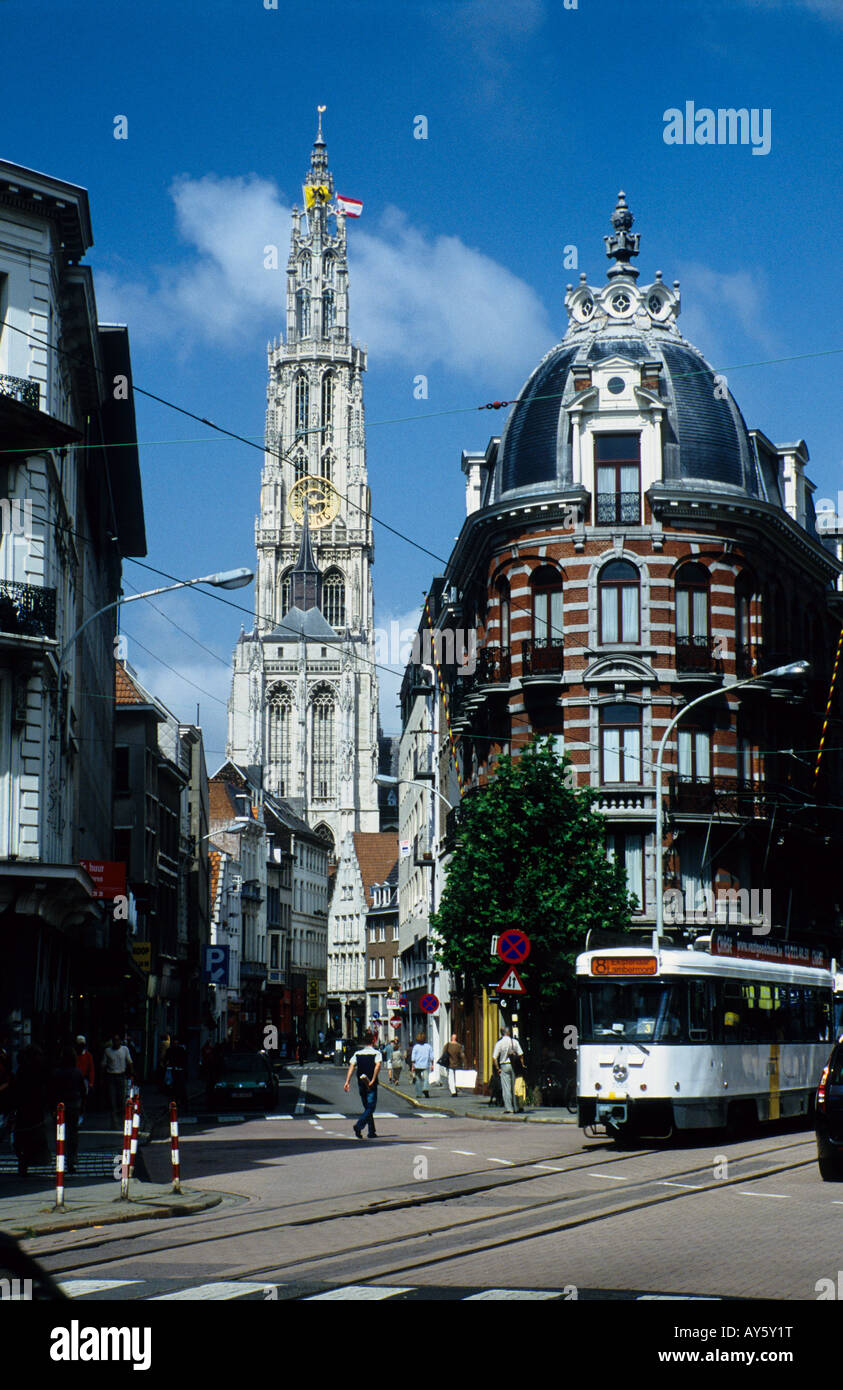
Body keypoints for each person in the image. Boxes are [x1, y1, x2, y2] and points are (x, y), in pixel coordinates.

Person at [9, 1045, 50, 1176]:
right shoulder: (38, 1071)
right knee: (31, 1135)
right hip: (33, 1107)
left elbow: (16, 1089)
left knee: (23, 1136)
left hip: (25, 1107)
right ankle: (29, 1159)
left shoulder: (22, 1071)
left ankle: (24, 1160)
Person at [50, 1045, 86, 1174]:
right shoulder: (77, 1072)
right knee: (73, 1134)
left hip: (60, 1106)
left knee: (60, 1134)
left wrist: (52, 1108)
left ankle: (60, 1158)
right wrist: (82, 1107)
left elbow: (52, 1092)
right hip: (74, 1105)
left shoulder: (56, 1072)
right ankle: (71, 1160)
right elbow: (83, 1091)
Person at [344, 1030, 381, 1139]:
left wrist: (347, 1081)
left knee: (367, 1107)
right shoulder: (376, 1053)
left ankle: (371, 1131)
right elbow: (377, 1066)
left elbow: (351, 1067)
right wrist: (373, 1079)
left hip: (361, 1083)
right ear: (373, 1042)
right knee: (371, 1107)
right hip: (371, 1083)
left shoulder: (357, 1054)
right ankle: (359, 1126)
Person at [102, 1033, 133, 1127]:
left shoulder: (124, 1050)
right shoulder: (107, 1051)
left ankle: (121, 1120)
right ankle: (114, 1122)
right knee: (112, 1100)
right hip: (111, 1076)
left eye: (117, 1040)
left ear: (120, 1041)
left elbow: (129, 1062)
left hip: (121, 1076)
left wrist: (132, 1074)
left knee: (121, 1099)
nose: (116, 1042)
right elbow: (103, 1064)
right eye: (114, 1040)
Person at [492, 1026, 524, 1114]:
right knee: (515, 1087)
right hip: (514, 1066)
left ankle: (509, 1108)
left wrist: (498, 1068)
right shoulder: (514, 1042)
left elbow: (494, 1058)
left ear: (501, 1033)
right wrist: (522, 1065)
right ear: (508, 1033)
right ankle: (516, 1107)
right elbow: (521, 1054)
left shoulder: (499, 1043)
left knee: (506, 1088)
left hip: (504, 1065)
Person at [74, 1036, 95, 1124]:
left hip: (84, 1079)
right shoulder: (74, 1054)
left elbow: (91, 1069)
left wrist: (91, 1082)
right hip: (74, 1079)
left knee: (83, 1098)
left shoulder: (88, 1055)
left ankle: (80, 1115)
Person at [166, 1036, 189, 1113]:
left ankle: (183, 1103)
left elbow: (184, 1059)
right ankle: (174, 1102)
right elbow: (166, 1059)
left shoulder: (180, 1050)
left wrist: (182, 1067)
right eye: (174, 1043)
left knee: (181, 1087)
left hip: (179, 1070)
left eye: (176, 1042)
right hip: (173, 1070)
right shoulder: (170, 1050)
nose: (175, 1044)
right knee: (172, 1087)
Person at [441, 1033, 466, 1097]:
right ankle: (456, 1088)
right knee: (457, 1077)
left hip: (450, 1064)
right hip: (457, 1064)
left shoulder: (448, 1045)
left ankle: (453, 1091)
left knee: (451, 1078)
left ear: (451, 1038)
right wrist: (464, 1062)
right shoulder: (459, 1046)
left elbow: (444, 1053)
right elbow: (462, 1055)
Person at [411, 1031, 434, 1099]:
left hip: (417, 1065)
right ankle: (425, 1089)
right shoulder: (428, 1046)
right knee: (426, 1078)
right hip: (425, 1065)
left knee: (418, 1079)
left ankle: (418, 1094)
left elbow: (413, 1057)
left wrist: (413, 1065)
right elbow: (431, 1057)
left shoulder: (415, 1047)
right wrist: (432, 1064)